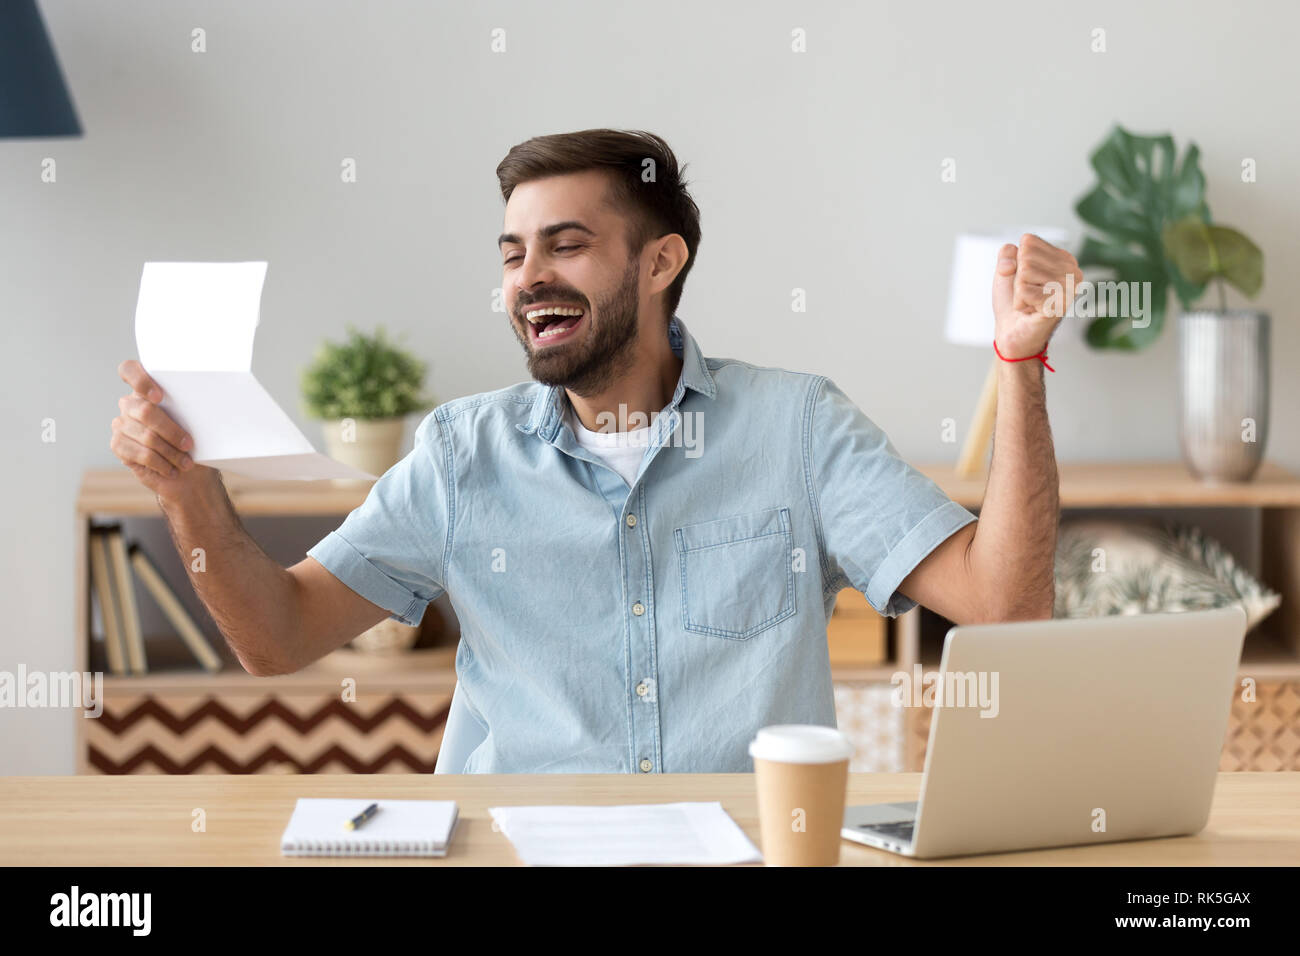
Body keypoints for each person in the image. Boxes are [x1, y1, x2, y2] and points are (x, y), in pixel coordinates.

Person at [110, 128, 1081, 773]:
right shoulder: (460, 453)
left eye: (563, 245)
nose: (527, 277)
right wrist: (185, 489)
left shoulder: (797, 428)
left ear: (659, 263)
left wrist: (1019, 362)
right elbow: (278, 637)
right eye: (510, 253)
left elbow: (1006, 604)